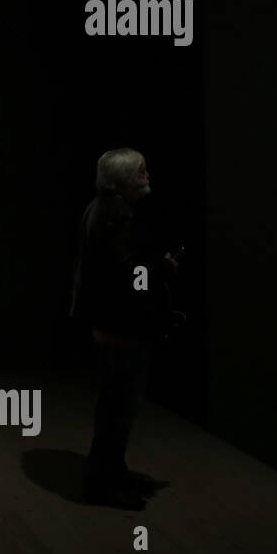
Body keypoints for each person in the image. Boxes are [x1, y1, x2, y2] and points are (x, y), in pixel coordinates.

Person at [70, 148, 179, 510]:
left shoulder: (99, 208)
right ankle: (102, 485)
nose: (147, 177)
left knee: (114, 406)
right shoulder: (118, 214)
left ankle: (111, 473)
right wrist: (161, 266)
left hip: (107, 324)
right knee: (120, 408)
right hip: (122, 326)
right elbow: (128, 274)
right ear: (121, 181)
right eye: (140, 172)